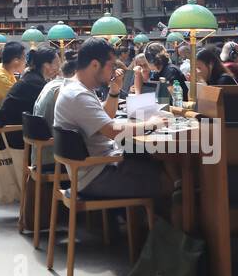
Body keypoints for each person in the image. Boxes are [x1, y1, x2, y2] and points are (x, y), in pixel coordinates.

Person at [54, 37, 173, 201]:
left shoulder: (76, 88)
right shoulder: (78, 95)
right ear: (95, 65)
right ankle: (156, 224)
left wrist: (114, 90)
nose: (113, 71)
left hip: (94, 168)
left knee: (153, 161)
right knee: (168, 181)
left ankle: (139, 222)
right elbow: (112, 131)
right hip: (95, 175)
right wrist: (152, 124)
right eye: (111, 66)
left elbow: (106, 117)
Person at [2, 46, 59, 123]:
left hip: (10, 128)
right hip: (14, 130)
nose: (59, 67)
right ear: (46, 65)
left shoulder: (31, 77)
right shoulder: (36, 83)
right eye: (57, 63)